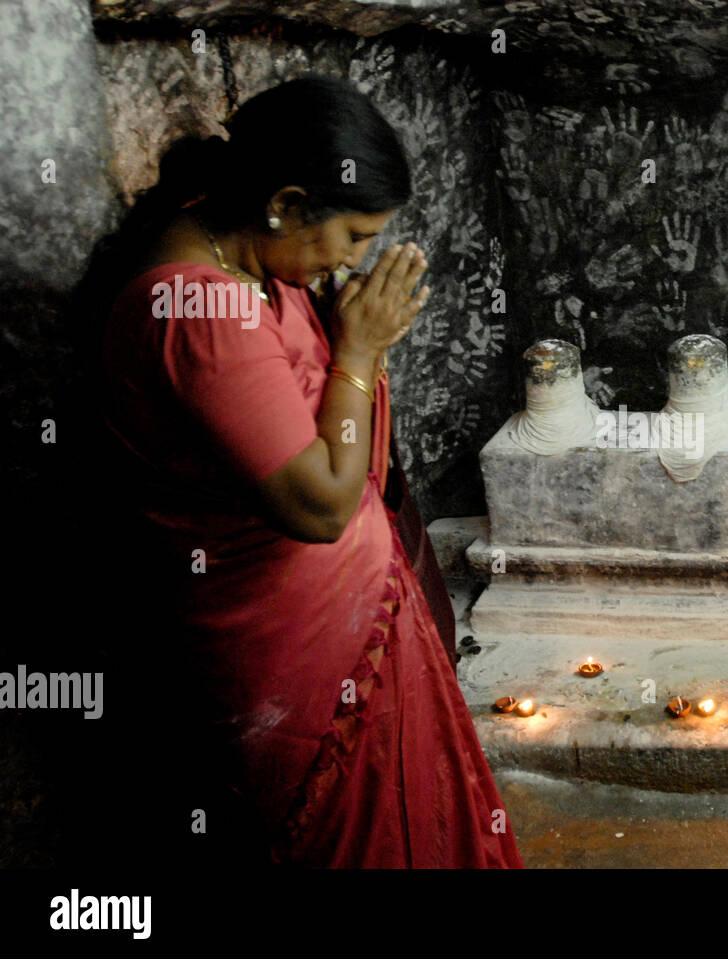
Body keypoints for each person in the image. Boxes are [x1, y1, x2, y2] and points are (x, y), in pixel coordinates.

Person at [70, 75, 524, 868]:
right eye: (352, 236)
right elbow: (317, 508)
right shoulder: (199, 315)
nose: (356, 259)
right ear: (282, 202)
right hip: (296, 666)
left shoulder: (247, 261)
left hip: (354, 627)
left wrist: (352, 342)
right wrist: (358, 348)